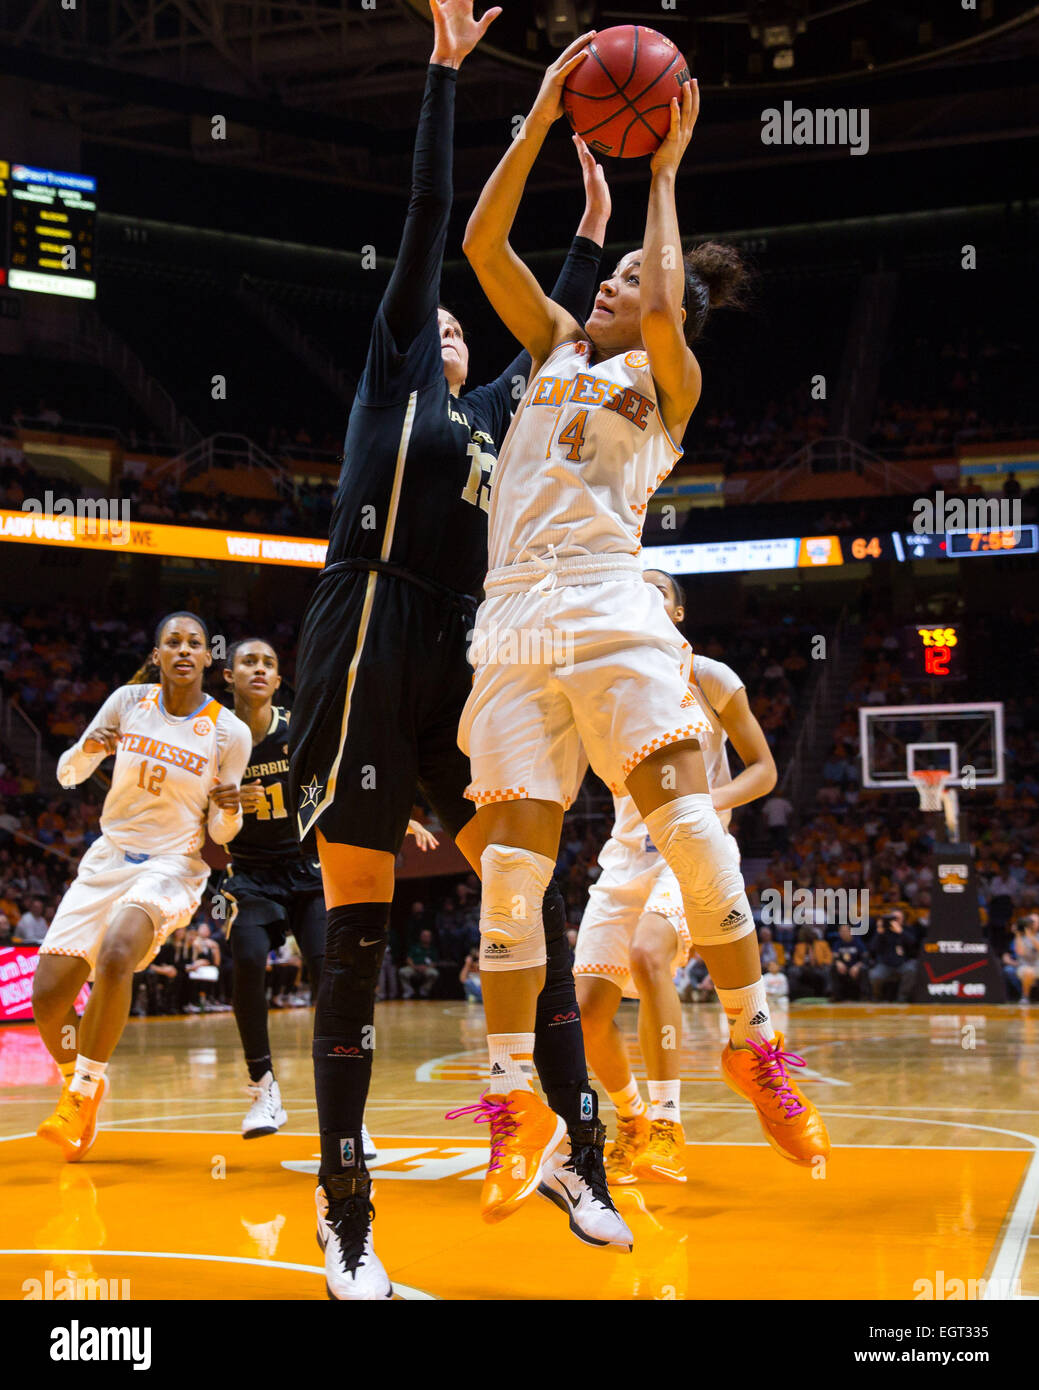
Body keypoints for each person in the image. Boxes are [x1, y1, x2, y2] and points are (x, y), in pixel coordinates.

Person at [458, 41, 829, 1225]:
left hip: (613, 602)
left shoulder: (670, 379)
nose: (612, 286)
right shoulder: (548, 347)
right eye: (609, 274)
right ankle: (517, 1103)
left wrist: (668, 165)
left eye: (625, 277)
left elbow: (667, 298)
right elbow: (480, 246)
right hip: (512, 609)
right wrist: (532, 117)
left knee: (684, 824)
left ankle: (752, 1041)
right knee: (513, 865)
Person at [285, 0, 614, 1298]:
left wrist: (588, 229)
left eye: (469, 328)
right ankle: (343, 1208)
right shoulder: (392, 381)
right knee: (356, 927)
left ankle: (574, 1147)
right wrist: (446, 79)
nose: (456, 327)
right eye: (445, 321)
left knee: (520, 896)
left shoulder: (487, 415)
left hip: (457, 660)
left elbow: (556, 335)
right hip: (364, 629)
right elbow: (430, 227)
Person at [575, 571, 776, 1186]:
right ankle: (632, 1118)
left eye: (657, 589)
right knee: (585, 1010)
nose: (642, 594)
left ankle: (667, 1122)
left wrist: (709, 803)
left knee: (648, 955)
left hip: (687, 849)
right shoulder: (605, 683)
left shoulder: (711, 677)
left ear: (679, 612)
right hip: (626, 854)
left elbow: (764, 770)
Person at [31, 612, 251, 1160]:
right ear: (156, 655)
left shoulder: (230, 731)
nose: (182, 650)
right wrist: (91, 751)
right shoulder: (128, 703)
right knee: (47, 999)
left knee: (117, 952)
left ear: (207, 658)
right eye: (171, 642)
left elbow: (221, 833)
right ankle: (77, 1080)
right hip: (107, 858)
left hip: (171, 864)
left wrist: (229, 813)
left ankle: (81, 1095)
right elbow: (66, 775)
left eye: (194, 644)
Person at [399, 928, 440, 999]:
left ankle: (424, 990)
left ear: (431, 938)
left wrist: (426, 967)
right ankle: (408, 990)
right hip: (414, 968)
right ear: (420, 937)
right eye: (424, 936)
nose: (426, 938)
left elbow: (435, 962)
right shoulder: (415, 947)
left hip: (427, 969)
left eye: (428, 936)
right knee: (402, 971)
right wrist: (415, 967)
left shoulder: (433, 949)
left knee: (434, 973)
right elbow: (408, 959)